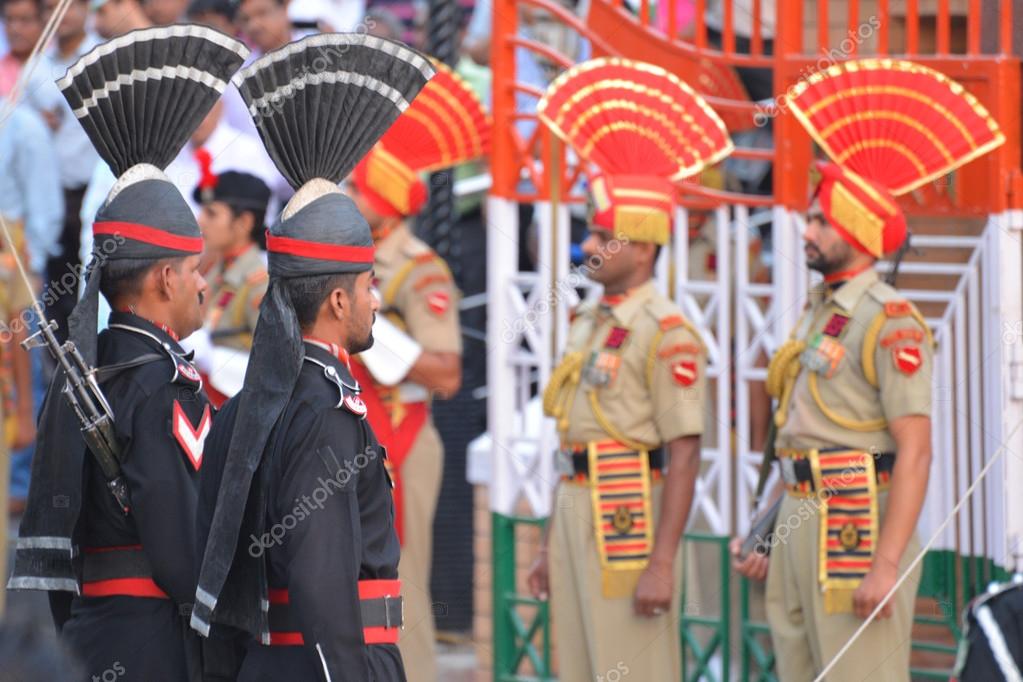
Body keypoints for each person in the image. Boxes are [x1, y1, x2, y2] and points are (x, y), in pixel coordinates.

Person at [730, 59, 1006, 681]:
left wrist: (885, 564)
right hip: (800, 514)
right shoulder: (816, 312)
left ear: (855, 227)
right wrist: (769, 526)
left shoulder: (892, 322)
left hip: (856, 522)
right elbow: (803, 435)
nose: (805, 230)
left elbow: (915, 453)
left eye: (820, 220)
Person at [7, 25, 249, 682]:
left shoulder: (88, 372)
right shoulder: (163, 385)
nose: (204, 281)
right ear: (164, 278)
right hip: (150, 646)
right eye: (194, 267)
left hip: (85, 636)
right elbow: (180, 552)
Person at [190, 33, 435, 681]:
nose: (376, 301)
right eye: (367, 287)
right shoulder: (324, 412)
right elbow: (322, 575)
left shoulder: (250, 405)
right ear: (334, 299)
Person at [526, 57, 732, 681]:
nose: (589, 247)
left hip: (628, 511)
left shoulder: (667, 331)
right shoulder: (592, 318)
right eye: (591, 233)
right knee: (581, 668)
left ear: (642, 247)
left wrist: (663, 562)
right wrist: (545, 542)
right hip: (573, 504)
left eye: (604, 236)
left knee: (632, 669)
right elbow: (571, 437)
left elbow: (685, 451)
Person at [346, 60, 488, 681]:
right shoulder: (352, 259)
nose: (347, 198)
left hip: (401, 433)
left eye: (357, 189)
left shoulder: (420, 270)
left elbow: (447, 372)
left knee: (399, 581)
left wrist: (372, 338)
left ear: (384, 198)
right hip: (355, 431)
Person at [44, 0, 99, 343]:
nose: (58, 15)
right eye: (49, 8)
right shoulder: (38, 67)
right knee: (55, 295)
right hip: (50, 197)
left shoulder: (99, 59)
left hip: (90, 192)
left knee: (86, 288)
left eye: (64, 5)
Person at [192, 170, 271, 405]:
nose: (200, 221)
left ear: (244, 222)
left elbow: (273, 371)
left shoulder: (259, 285)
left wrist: (212, 359)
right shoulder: (216, 266)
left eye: (212, 214)